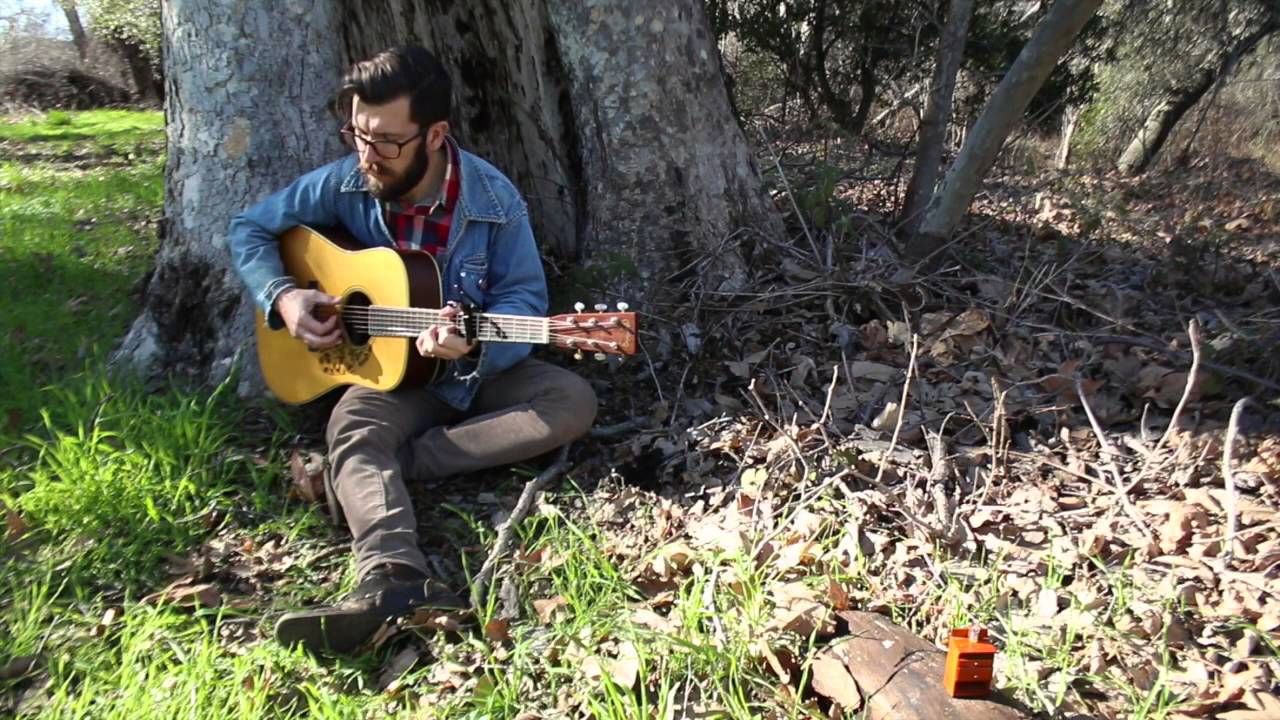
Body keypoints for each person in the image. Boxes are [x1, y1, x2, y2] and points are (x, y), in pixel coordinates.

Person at [226, 45, 598, 654]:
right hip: (392, 382)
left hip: (476, 377)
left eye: (387, 141)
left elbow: (526, 303)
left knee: (570, 400)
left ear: (435, 135)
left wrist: (472, 344)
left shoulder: (493, 200)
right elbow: (250, 228)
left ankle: (384, 470)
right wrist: (285, 296)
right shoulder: (345, 181)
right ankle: (392, 578)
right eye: (357, 133)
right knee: (353, 425)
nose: (367, 154)